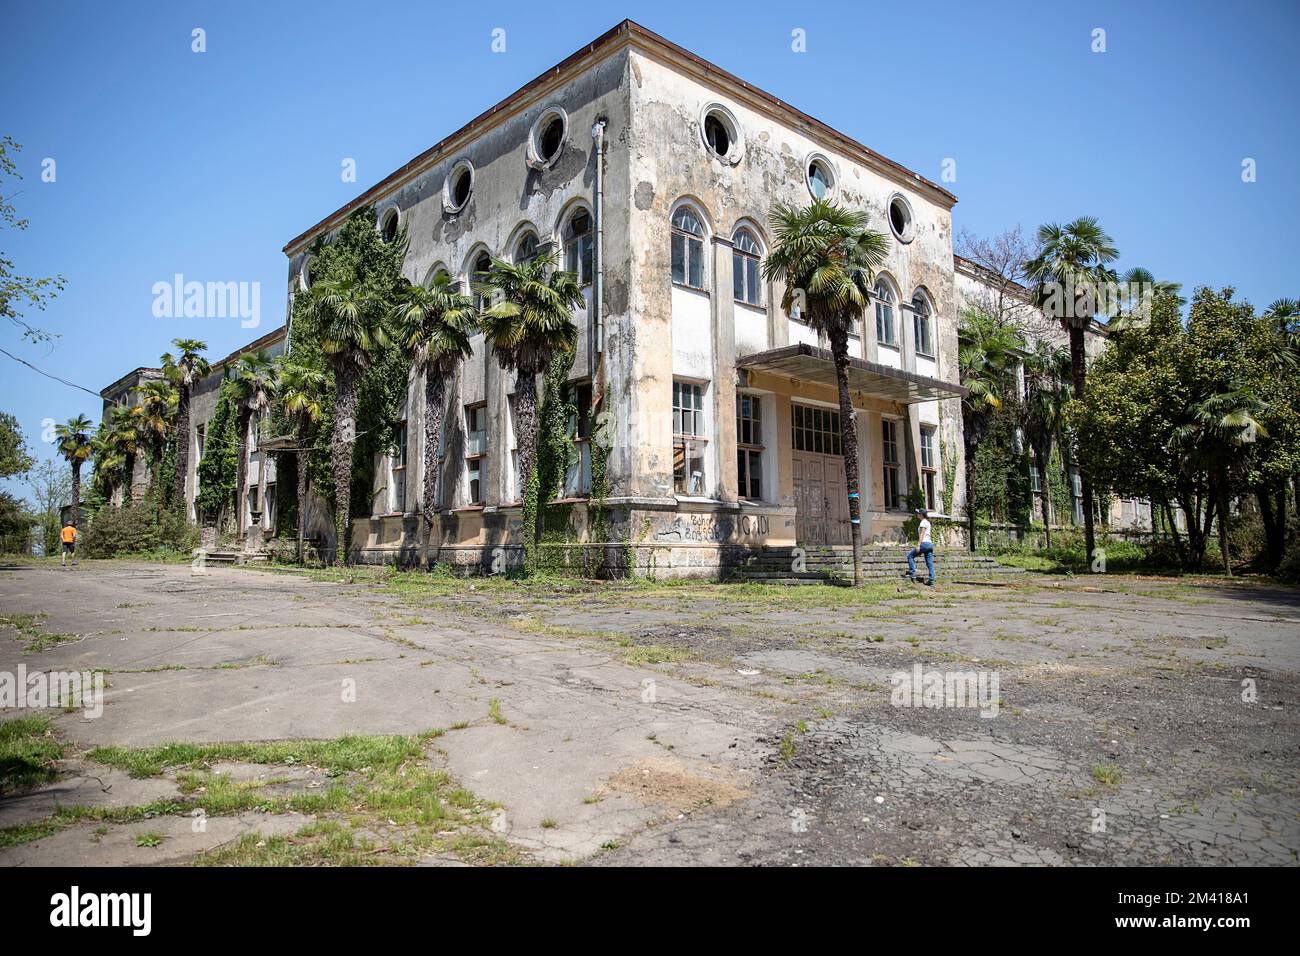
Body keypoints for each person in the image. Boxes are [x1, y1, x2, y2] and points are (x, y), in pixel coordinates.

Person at [903, 508, 934, 586]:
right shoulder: (928, 522)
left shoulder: (923, 522)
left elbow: (922, 534)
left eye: (918, 513)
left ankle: (912, 574)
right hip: (930, 544)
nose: (917, 514)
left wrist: (918, 545)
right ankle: (931, 579)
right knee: (929, 563)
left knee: (910, 556)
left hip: (924, 543)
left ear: (921, 515)